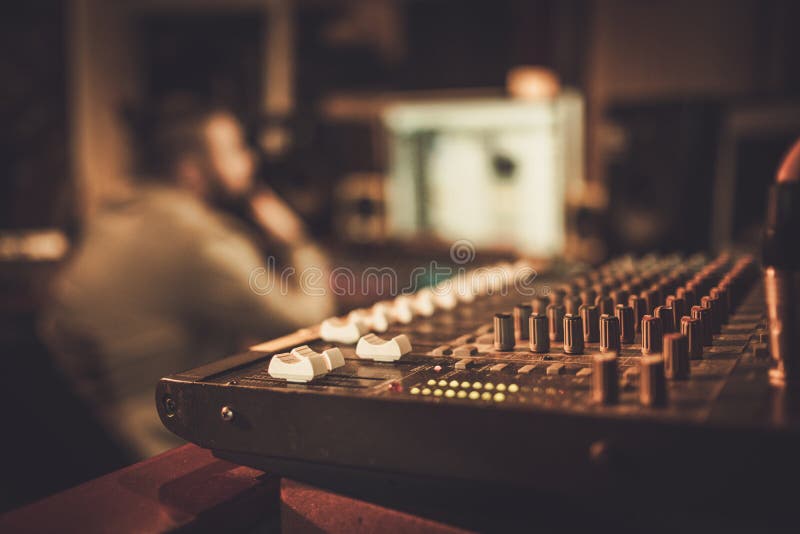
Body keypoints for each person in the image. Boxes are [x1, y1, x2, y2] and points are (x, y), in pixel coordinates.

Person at [42, 107, 335, 458]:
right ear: (190, 170)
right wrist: (297, 241)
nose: (250, 159)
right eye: (235, 149)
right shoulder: (198, 238)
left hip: (102, 431)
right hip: (167, 438)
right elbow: (306, 319)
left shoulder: (112, 214)